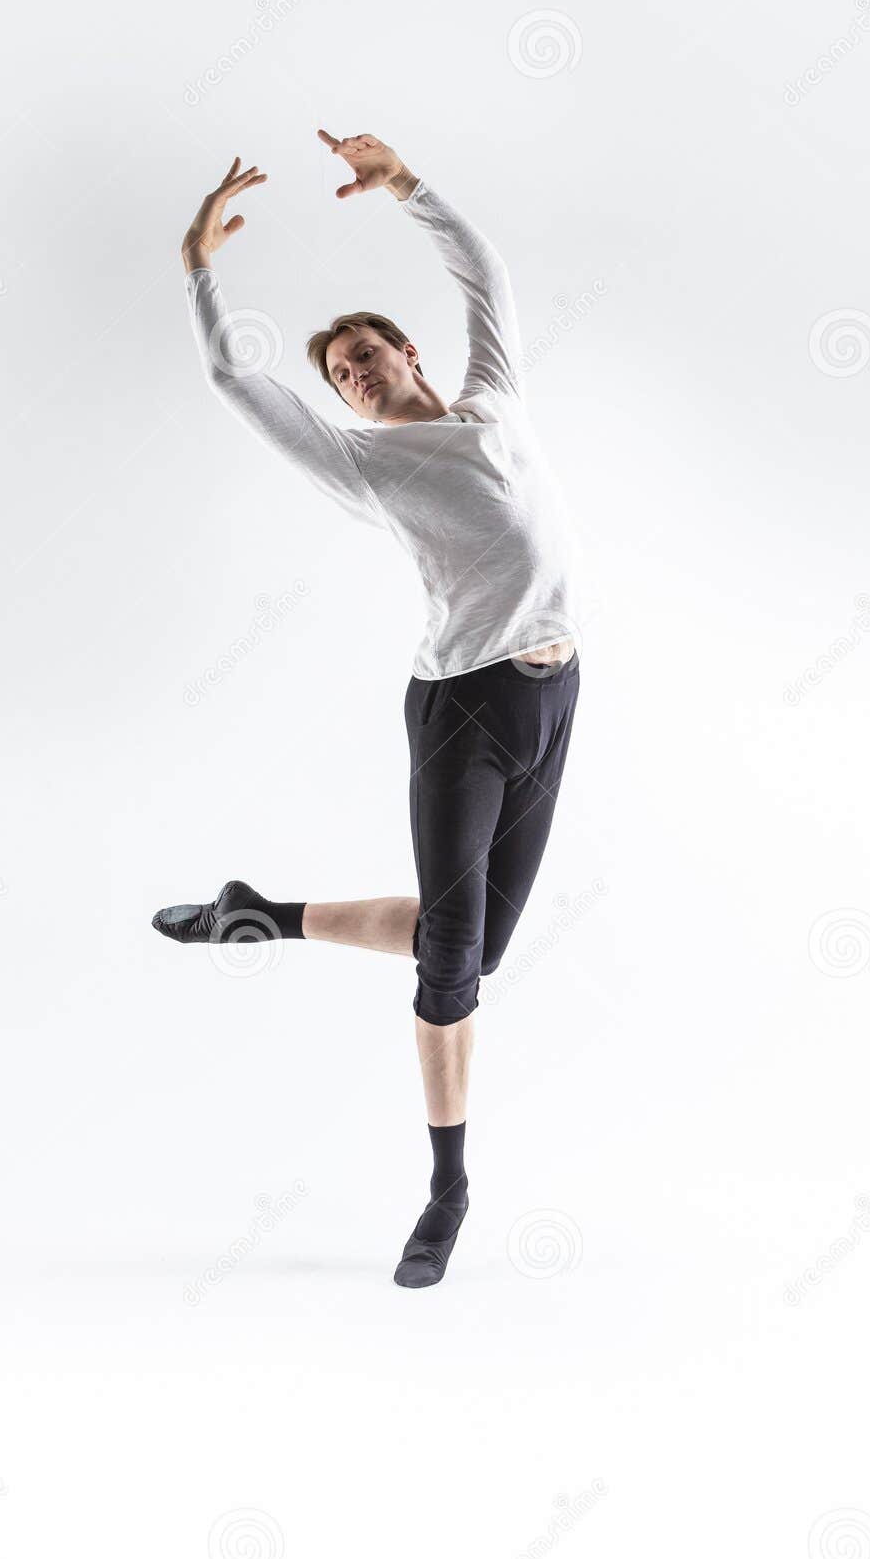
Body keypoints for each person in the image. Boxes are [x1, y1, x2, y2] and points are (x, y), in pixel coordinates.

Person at [155, 131, 583, 1289]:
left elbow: (483, 274)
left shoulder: (494, 396)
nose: (350, 378)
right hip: (460, 710)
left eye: (359, 356)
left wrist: (409, 188)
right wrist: (199, 270)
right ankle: (447, 1184)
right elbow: (237, 381)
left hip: (555, 693)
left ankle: (262, 913)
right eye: (338, 375)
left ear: (401, 349)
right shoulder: (360, 464)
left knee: (478, 941)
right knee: (453, 967)